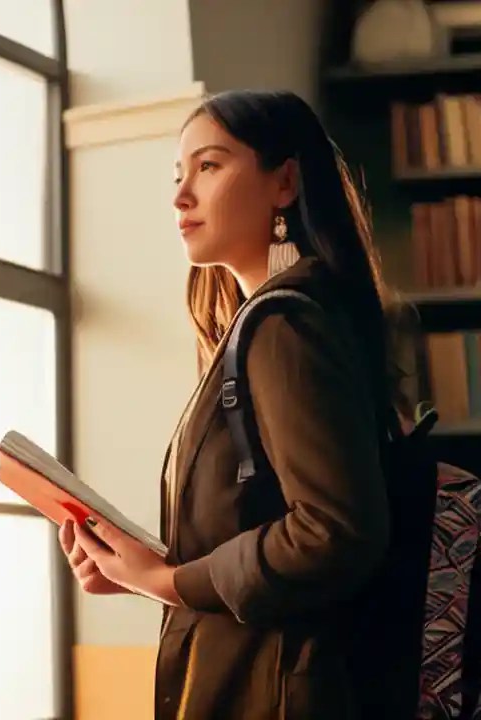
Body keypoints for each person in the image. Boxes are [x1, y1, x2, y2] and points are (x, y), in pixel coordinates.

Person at [57, 89, 414, 719]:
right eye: (178, 173)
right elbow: (267, 533)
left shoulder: (284, 328)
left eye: (210, 166)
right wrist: (144, 573)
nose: (180, 195)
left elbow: (333, 531)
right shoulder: (277, 322)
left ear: (284, 183)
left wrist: (171, 581)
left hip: (277, 694)